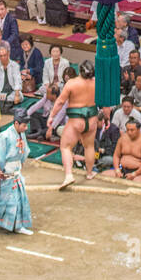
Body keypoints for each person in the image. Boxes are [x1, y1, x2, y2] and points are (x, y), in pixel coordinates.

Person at [47, 60, 97, 189]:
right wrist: (107, 117)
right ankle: (90, 173)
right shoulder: (97, 83)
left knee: (65, 147)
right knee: (89, 146)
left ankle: (69, 175)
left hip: (76, 120)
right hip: (92, 119)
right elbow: (106, 103)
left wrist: (52, 116)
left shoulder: (72, 83)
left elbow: (60, 102)